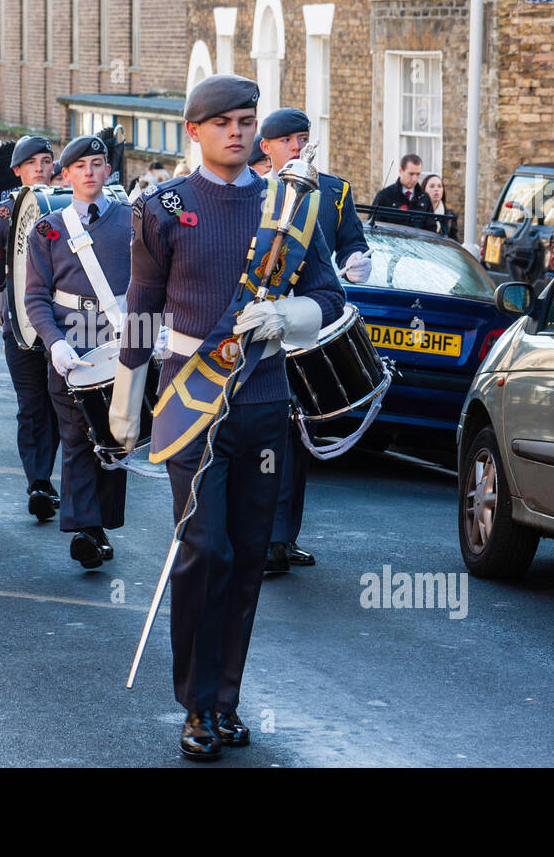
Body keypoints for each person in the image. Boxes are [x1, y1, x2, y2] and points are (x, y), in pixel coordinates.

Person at [109, 74, 343, 760]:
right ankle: (194, 704)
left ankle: (225, 702)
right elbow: (143, 307)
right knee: (204, 549)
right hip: (191, 403)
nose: (236, 132)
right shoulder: (163, 206)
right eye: (222, 123)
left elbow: (329, 298)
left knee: (244, 557)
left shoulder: (289, 207)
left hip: (265, 402)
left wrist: (287, 314)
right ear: (194, 131)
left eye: (245, 120)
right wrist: (127, 403)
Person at [257, 108, 371, 573]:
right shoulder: (250, 190)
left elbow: (351, 242)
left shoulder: (335, 191)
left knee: (297, 432)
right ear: (266, 146)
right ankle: (258, 533)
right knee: (259, 434)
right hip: (253, 324)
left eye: (303, 139)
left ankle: (282, 536)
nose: (299, 148)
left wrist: (358, 256)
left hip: (307, 326)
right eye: (289, 141)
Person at [25, 135, 133, 567]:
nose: (89, 172)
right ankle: (86, 528)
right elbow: (35, 298)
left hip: (122, 338)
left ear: (108, 171)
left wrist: (154, 331)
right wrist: (54, 343)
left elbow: (153, 282)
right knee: (76, 437)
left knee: (117, 436)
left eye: (97, 164)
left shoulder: (132, 219)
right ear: (64, 175)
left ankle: (101, 524)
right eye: (80, 166)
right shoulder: (48, 228)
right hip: (72, 344)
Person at [0, 136, 61, 521]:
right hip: (19, 323)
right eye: (32, 163)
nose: (41, 169)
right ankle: (39, 482)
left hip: (62, 325)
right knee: (32, 405)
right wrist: (2, 316)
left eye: (46, 161)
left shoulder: (67, 208)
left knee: (59, 401)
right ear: (17, 171)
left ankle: (53, 473)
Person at [372, 153, 432, 220]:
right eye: (411, 174)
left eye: (418, 174)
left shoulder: (425, 198)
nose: (415, 179)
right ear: (401, 171)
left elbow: (431, 227)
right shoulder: (384, 196)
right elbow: (373, 224)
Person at [421, 173, 456, 239]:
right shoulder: (417, 212)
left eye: (439, 186)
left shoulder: (449, 215)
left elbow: (454, 241)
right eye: (432, 186)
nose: (436, 189)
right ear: (424, 189)